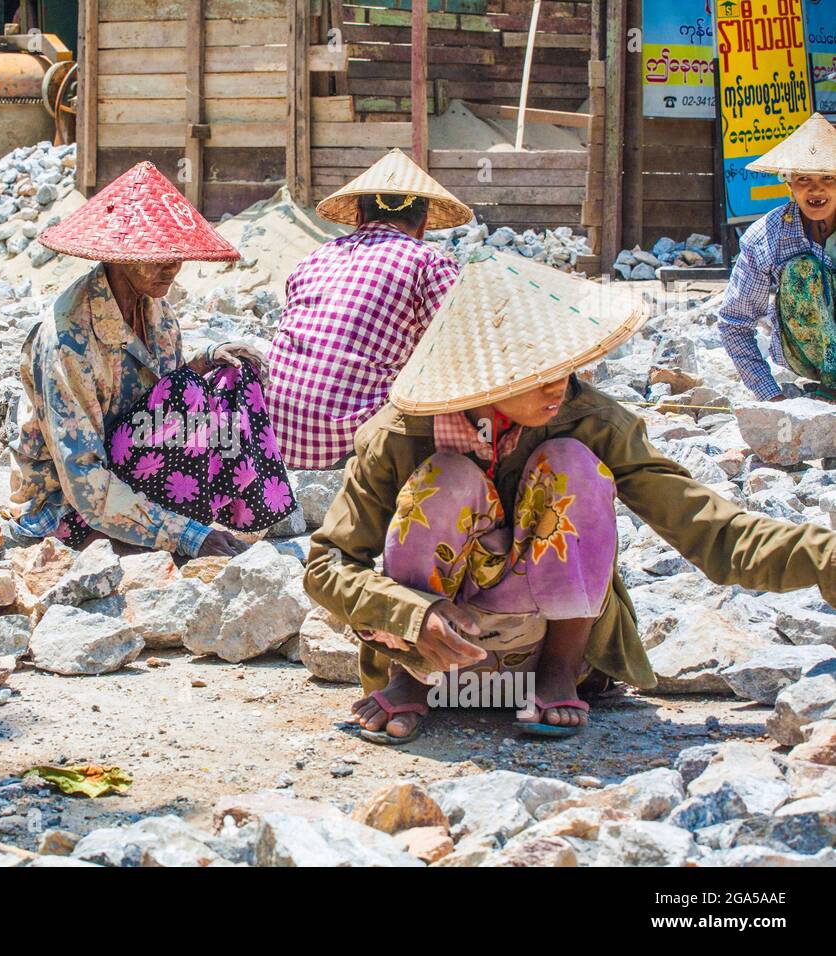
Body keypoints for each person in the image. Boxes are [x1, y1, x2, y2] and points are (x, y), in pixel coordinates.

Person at [305, 253, 836, 744]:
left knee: (571, 464)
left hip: (546, 645)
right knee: (446, 480)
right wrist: (412, 614)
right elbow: (327, 564)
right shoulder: (398, 435)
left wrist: (824, 557)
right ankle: (415, 679)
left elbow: (707, 526)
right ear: (479, 376)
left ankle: (560, 668)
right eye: (536, 373)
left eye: (561, 366)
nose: (556, 386)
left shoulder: (590, 420)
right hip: (435, 644)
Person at [10, 161, 268, 559]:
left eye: (176, 254)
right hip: (68, 497)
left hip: (132, 458)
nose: (172, 267)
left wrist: (206, 361)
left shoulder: (158, 314)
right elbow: (83, 478)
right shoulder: (67, 339)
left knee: (223, 385)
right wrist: (185, 535)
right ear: (119, 256)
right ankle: (136, 531)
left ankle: (217, 511)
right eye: (157, 255)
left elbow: (164, 398)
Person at [265, 148, 472, 471]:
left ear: (359, 217)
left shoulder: (314, 258)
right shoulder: (428, 262)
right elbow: (461, 350)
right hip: (349, 447)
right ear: (423, 225)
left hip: (272, 441)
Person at [719, 112, 836, 401]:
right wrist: (770, 395)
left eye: (829, 178)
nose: (816, 188)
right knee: (802, 272)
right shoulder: (766, 237)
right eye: (804, 178)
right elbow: (735, 322)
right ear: (789, 185)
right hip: (809, 353)